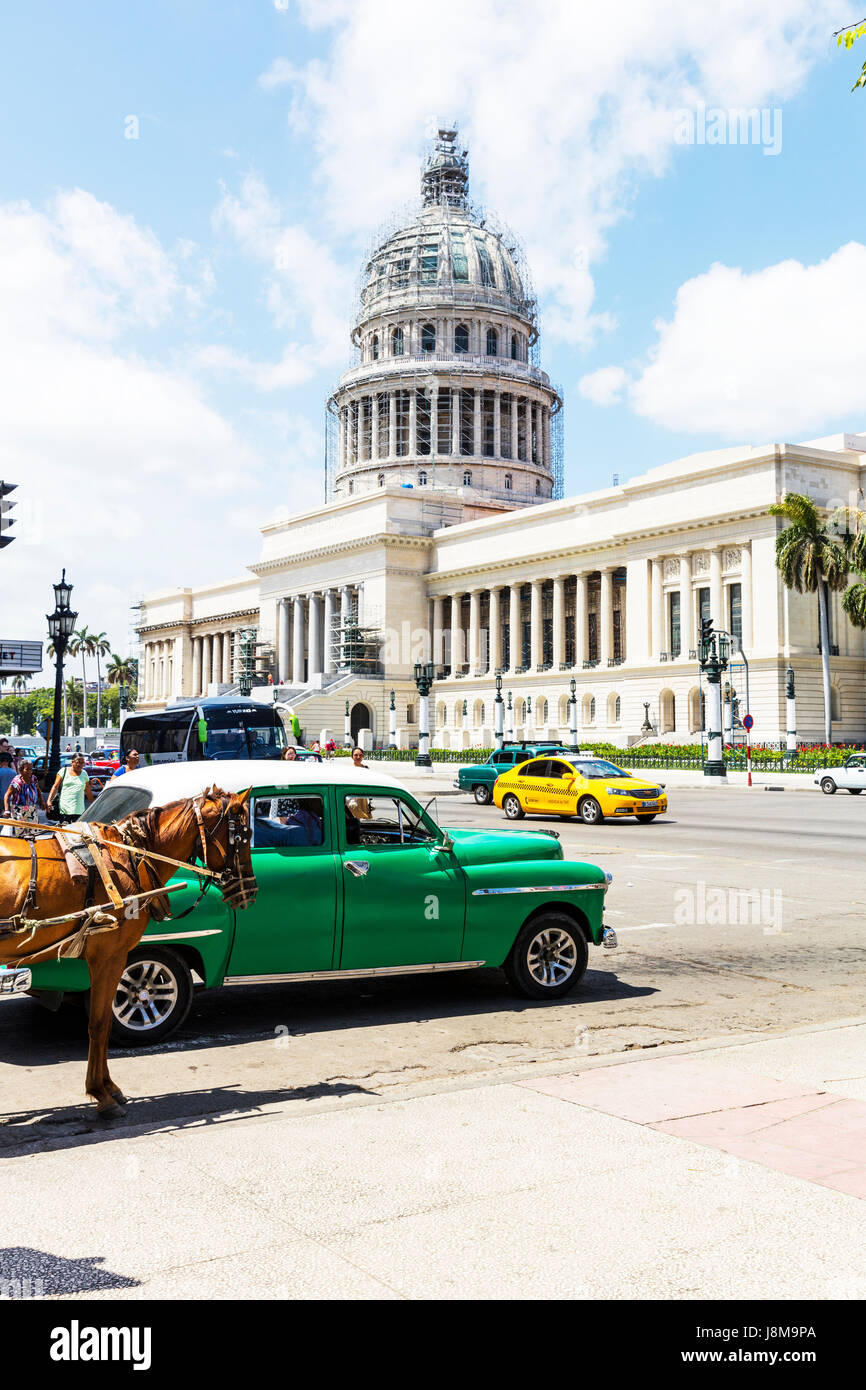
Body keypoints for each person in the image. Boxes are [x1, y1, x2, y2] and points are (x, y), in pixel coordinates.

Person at [47, 752, 94, 825]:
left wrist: (93, 805)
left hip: (79, 809)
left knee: (78, 833)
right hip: (65, 809)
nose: (80, 765)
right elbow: (55, 787)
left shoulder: (84, 774)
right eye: (78, 762)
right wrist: (49, 800)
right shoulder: (64, 771)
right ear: (72, 762)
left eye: (82, 763)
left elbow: (88, 790)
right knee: (66, 832)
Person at [3, 759, 47, 830]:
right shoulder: (16, 782)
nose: (30, 771)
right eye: (27, 769)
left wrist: (42, 802)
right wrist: (7, 810)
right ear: (21, 771)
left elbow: (38, 790)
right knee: (20, 833)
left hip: (32, 810)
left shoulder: (33, 779)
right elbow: (7, 795)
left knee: (33, 833)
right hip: (19, 811)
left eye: (31, 769)